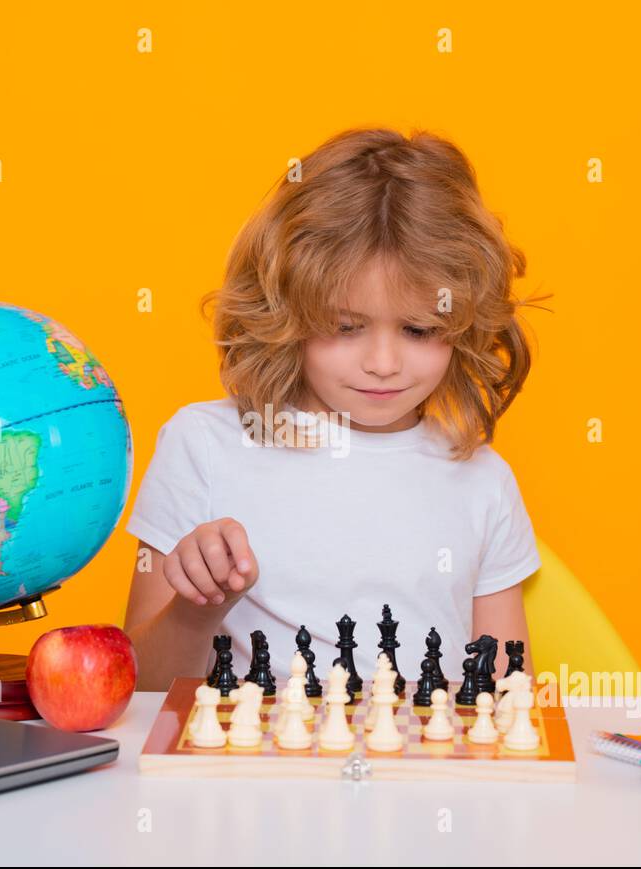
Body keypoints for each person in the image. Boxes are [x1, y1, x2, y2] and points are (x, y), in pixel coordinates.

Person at [123, 127, 544, 690]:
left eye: (419, 329)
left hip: (427, 774)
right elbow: (144, 693)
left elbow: (508, 696)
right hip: (249, 775)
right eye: (346, 327)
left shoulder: (484, 481)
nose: (383, 362)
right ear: (284, 311)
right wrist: (197, 609)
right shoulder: (202, 446)